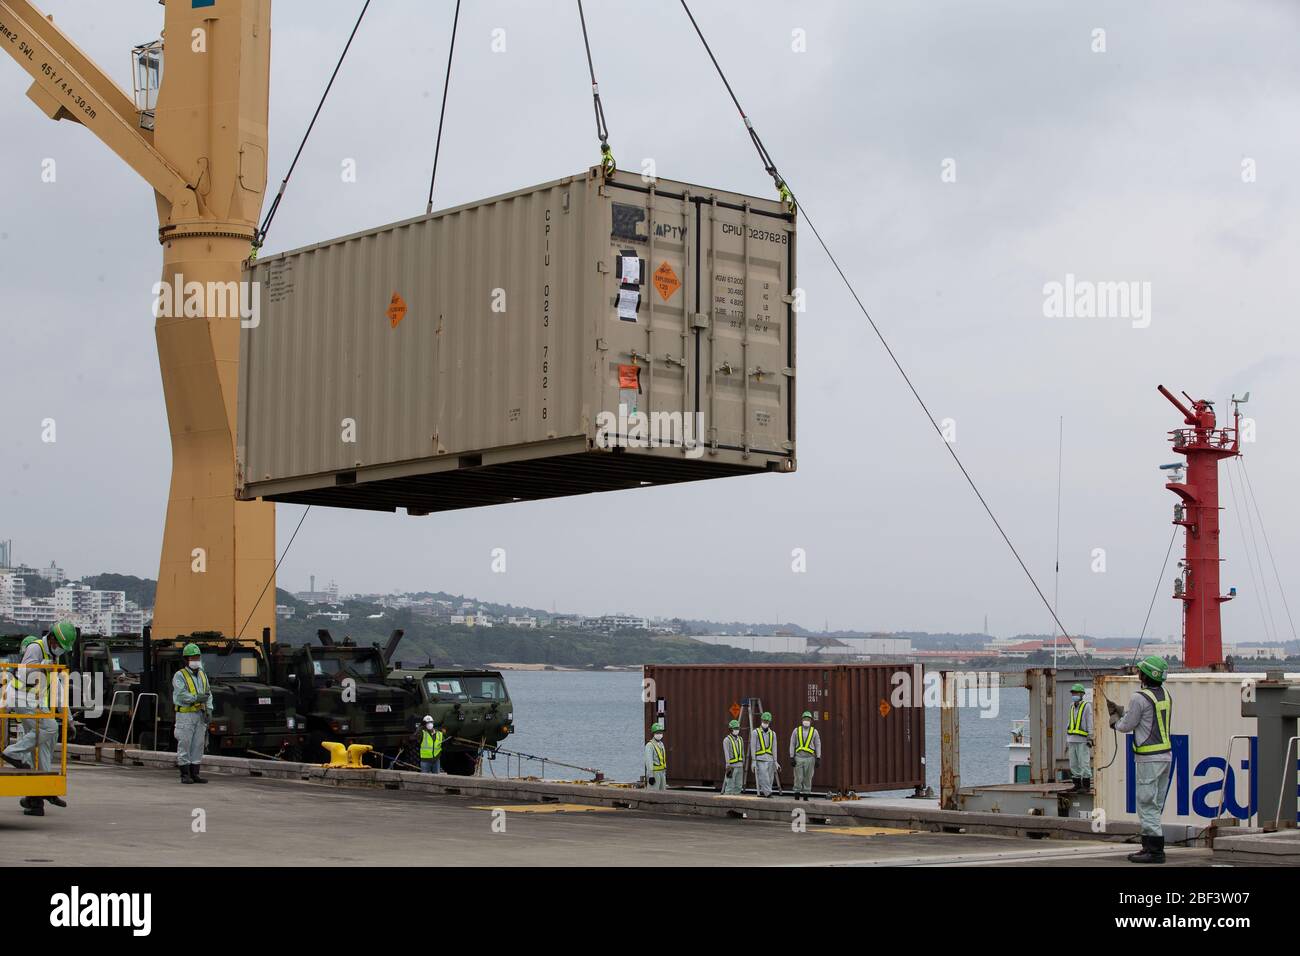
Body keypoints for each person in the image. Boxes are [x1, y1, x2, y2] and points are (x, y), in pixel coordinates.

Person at [2, 620, 75, 816]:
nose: (60, 649)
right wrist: (41, 667)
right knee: (50, 728)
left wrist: (68, 718)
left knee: (48, 737)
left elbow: (58, 691)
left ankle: (43, 792)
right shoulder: (36, 648)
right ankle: (12, 753)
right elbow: (23, 671)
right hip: (22, 698)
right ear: (52, 639)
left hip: (35, 702)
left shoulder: (51, 657)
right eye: (60, 645)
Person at [1108, 655, 1173, 864]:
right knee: (1155, 804)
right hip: (1166, 757)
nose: (1138, 673)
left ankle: (1154, 851)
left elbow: (1127, 725)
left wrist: (1115, 721)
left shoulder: (1139, 697)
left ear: (1146, 674)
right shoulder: (1164, 694)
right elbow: (1146, 719)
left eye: (1141, 671)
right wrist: (1124, 715)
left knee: (1146, 804)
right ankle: (1150, 846)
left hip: (1148, 759)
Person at [172, 643, 212, 784]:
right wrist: (196, 698)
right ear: (186, 659)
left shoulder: (202, 674)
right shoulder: (179, 675)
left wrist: (209, 709)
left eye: (197, 657)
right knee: (185, 743)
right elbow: (181, 694)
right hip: (185, 715)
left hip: (200, 715)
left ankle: (195, 774)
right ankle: (184, 774)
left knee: (198, 745)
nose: (196, 659)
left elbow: (208, 693)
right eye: (192, 657)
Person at [1066, 682, 1093, 792]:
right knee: (1073, 764)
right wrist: (1066, 739)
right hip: (1072, 739)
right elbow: (1069, 722)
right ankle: (1076, 785)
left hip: (1082, 740)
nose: (1074, 695)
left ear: (1082, 694)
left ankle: (1086, 786)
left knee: (1084, 763)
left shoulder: (1086, 706)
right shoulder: (1071, 706)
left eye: (1076, 693)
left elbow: (1089, 721)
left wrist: (1090, 737)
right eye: (1073, 693)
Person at [788, 710, 821, 800]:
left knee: (808, 777)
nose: (806, 720)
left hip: (810, 758)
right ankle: (797, 794)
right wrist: (791, 757)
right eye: (805, 718)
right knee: (798, 777)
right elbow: (792, 743)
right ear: (802, 720)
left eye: (808, 719)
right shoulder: (796, 730)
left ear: (811, 721)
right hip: (798, 757)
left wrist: (818, 757)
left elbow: (818, 744)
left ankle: (806, 795)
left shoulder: (814, 732)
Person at [750, 711, 779, 797]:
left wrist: (775, 761)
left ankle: (766, 792)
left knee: (770, 778)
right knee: (763, 777)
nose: (765, 723)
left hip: (770, 759)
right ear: (761, 720)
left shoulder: (773, 734)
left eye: (767, 721)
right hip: (760, 759)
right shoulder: (755, 732)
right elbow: (753, 747)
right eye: (764, 721)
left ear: (769, 721)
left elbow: (774, 748)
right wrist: (753, 761)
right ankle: (768, 793)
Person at [722, 719, 745, 794]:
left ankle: (736, 801)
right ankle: (727, 802)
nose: (736, 730)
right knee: (730, 785)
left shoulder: (740, 739)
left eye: (737, 728)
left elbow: (742, 752)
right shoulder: (726, 740)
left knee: (739, 786)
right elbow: (726, 753)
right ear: (730, 729)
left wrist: (743, 762)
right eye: (735, 728)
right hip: (731, 766)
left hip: (740, 766)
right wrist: (728, 765)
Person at [644, 721, 667, 790]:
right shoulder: (649, 745)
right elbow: (649, 761)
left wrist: (664, 772)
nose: (659, 734)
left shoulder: (661, 744)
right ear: (653, 734)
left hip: (662, 773)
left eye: (661, 733)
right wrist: (651, 776)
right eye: (657, 733)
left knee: (663, 794)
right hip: (654, 773)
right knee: (653, 794)